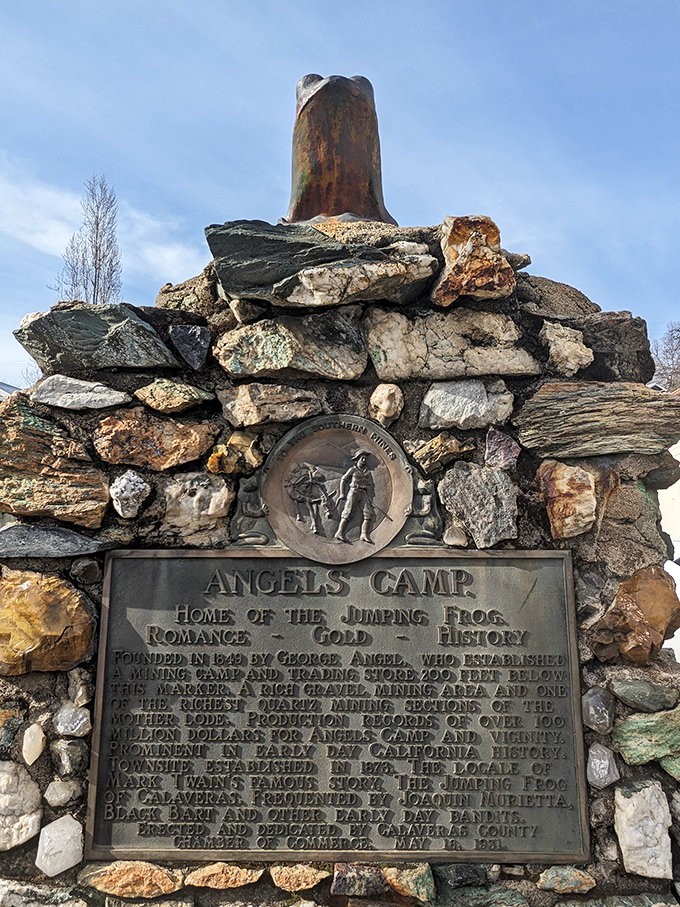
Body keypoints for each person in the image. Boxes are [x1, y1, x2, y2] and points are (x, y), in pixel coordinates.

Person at [334, 450, 375, 543]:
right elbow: (343, 479)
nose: (364, 460)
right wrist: (342, 493)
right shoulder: (353, 470)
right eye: (362, 458)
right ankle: (339, 532)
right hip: (354, 492)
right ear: (357, 459)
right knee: (348, 513)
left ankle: (364, 534)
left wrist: (370, 497)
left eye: (365, 458)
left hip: (364, 494)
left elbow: (370, 485)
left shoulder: (367, 472)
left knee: (368, 514)